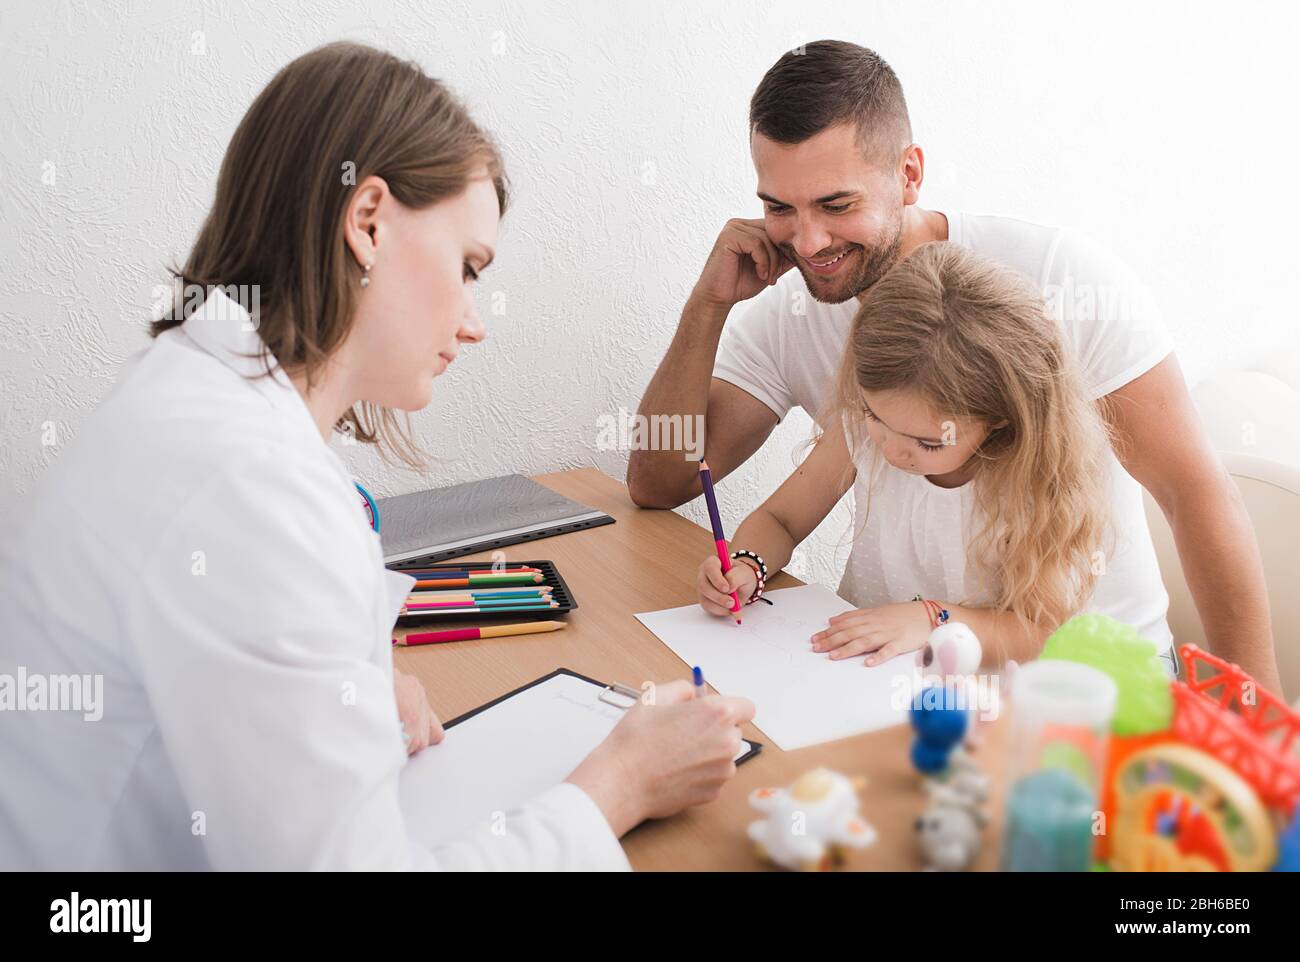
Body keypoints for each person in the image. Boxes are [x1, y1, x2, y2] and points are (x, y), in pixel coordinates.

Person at [0, 42, 753, 871]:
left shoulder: (197, 399)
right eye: (467, 269)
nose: (475, 322)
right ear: (367, 221)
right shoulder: (252, 484)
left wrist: (343, 684)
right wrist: (620, 785)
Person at [630, 40, 1279, 691]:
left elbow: (1193, 493)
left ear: (910, 173)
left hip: (1081, 683)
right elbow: (660, 481)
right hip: (902, 677)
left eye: (835, 205)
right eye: (779, 208)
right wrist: (707, 304)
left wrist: (1256, 721)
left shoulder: (1063, 279)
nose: (807, 242)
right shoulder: (801, 316)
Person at [697, 241, 1173, 670]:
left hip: (1001, 703)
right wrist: (748, 565)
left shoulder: (1038, 475)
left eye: (929, 442)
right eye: (873, 415)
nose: (893, 449)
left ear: (1001, 418)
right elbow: (780, 520)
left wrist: (931, 619)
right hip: (875, 678)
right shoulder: (871, 430)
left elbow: (1040, 632)